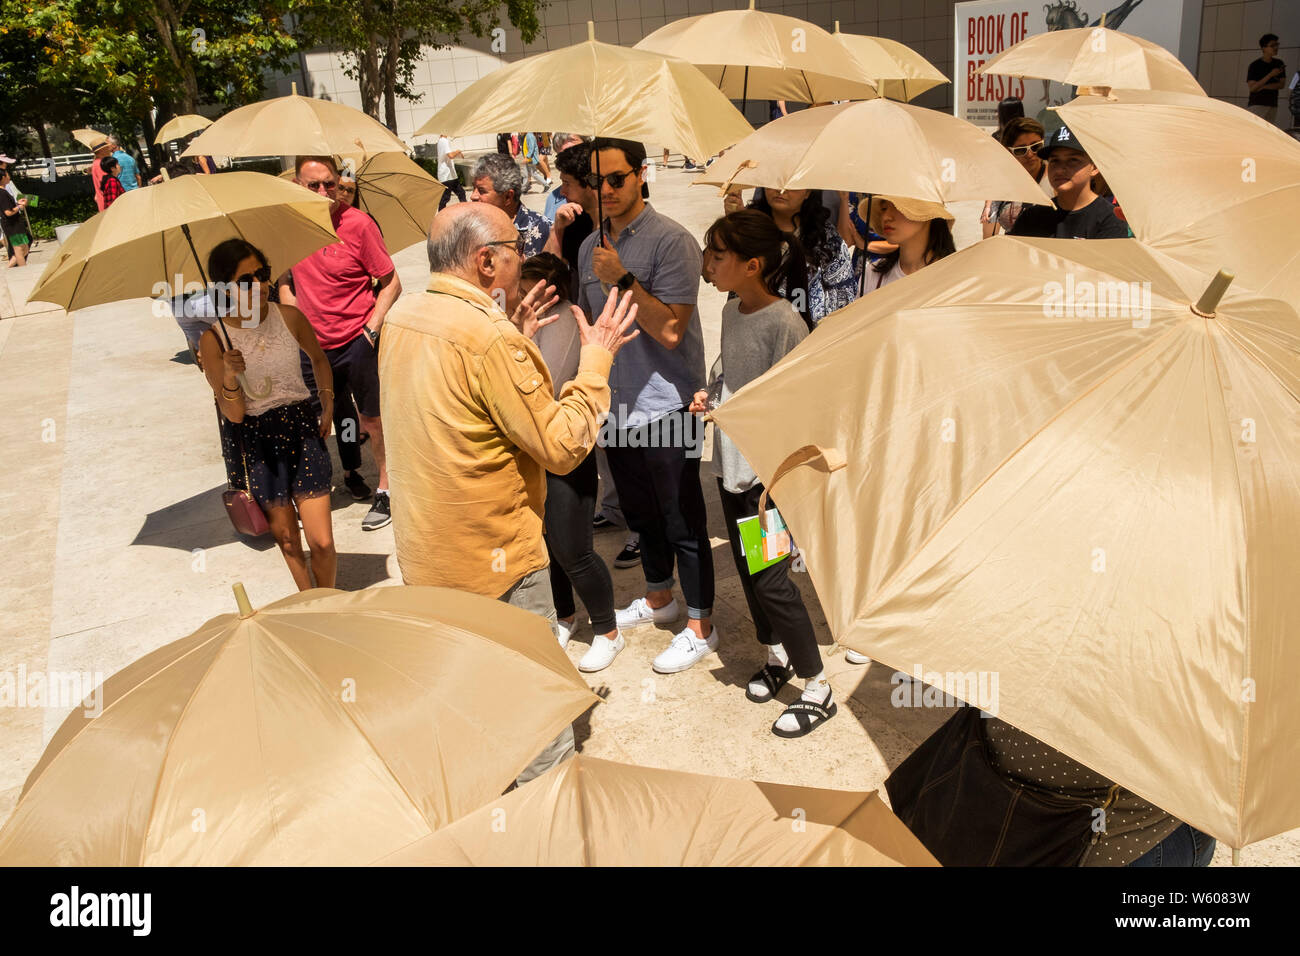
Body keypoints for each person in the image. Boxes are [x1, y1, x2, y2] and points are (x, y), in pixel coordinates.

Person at [379, 202, 639, 782]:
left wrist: (513, 340)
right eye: (515, 248)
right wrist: (596, 360)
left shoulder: (404, 315)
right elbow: (561, 444)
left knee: (476, 699)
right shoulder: (488, 338)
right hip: (496, 563)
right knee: (534, 717)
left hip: (430, 559)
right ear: (485, 261)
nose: (524, 256)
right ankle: (547, 828)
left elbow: (455, 411)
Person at [691, 210, 836, 737]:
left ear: (752, 265)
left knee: (774, 581)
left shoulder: (785, 324)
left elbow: (798, 403)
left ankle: (817, 687)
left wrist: (780, 480)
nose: (706, 263)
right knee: (752, 578)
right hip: (729, 467)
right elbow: (729, 369)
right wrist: (712, 390)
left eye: (717, 255)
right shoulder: (732, 311)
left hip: (765, 482)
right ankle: (776, 657)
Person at [578, 137, 718, 675]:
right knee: (640, 518)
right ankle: (661, 599)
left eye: (617, 178)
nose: (606, 190)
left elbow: (670, 328)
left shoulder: (671, 241)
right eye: (597, 182)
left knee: (682, 520)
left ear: (641, 175)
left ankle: (702, 624)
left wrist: (624, 278)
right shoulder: (593, 243)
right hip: (617, 407)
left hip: (667, 405)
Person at [198, 238, 337, 591]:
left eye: (262, 274)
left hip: (302, 429)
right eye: (245, 280)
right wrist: (229, 377)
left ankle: (330, 600)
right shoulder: (215, 342)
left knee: (321, 541)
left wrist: (328, 401)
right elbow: (233, 415)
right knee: (288, 540)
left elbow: (319, 359)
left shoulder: (289, 316)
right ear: (224, 288)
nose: (259, 285)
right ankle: (310, 602)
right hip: (258, 439)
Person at [278, 154, 402, 527]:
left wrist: (372, 328)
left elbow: (391, 282)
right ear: (298, 185)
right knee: (318, 419)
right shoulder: (288, 226)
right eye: (313, 184)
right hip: (311, 347)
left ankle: (386, 488)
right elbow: (284, 280)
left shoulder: (358, 224)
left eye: (329, 183)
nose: (323, 191)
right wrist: (293, 320)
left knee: (373, 419)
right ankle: (326, 484)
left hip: (357, 340)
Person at [519, 252, 626, 672]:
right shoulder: (523, 320)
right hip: (534, 448)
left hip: (566, 447)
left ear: (549, 290)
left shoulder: (564, 319)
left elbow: (542, 381)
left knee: (574, 550)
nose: (518, 293)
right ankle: (564, 617)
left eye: (527, 286)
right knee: (547, 546)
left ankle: (608, 631)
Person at [542, 141, 641, 569]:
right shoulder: (579, 230)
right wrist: (558, 230)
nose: (562, 192)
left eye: (567, 183)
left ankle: (640, 529)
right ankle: (618, 509)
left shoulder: (629, 232)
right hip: (597, 352)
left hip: (634, 354)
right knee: (608, 438)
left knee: (636, 444)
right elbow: (548, 273)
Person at [726, 186, 856, 324]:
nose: (781, 191)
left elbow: (843, 296)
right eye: (776, 183)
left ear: (808, 192)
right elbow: (722, 273)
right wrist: (733, 225)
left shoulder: (826, 238)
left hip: (806, 336)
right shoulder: (748, 229)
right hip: (750, 329)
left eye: (792, 186)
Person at [1008, 125, 1128, 240]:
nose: (1060, 170)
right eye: (1055, 161)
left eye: (1073, 160)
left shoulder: (1111, 219)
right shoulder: (1031, 217)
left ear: (1094, 167)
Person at [862, 196, 956, 292]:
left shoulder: (954, 278)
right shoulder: (873, 274)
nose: (886, 217)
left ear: (926, 213)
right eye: (884, 209)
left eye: (897, 207)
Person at [982, 117, 1053, 238]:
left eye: (1035, 147)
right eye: (1021, 150)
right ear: (1008, 151)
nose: (1030, 154)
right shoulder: (1005, 181)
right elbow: (989, 235)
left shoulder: (1054, 180)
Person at [470, 153, 550, 258]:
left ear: (508, 197)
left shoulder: (540, 228)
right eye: (473, 188)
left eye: (481, 191)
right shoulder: (472, 226)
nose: (473, 196)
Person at [1246, 34, 1286, 126]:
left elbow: (1281, 84)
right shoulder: (1255, 65)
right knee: (1254, 129)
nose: (1276, 47)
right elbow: (1252, 88)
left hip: (1272, 104)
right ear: (1264, 48)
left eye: (1277, 45)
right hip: (1257, 104)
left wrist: (1263, 86)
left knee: (1267, 134)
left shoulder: (1279, 63)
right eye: (1272, 45)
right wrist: (1271, 75)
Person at [543, 132, 584, 222]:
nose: (571, 162)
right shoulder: (553, 199)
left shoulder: (605, 199)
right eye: (563, 157)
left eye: (577, 153)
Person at [0, 170, 30, 267]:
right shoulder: (2, 193)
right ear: (3, 177)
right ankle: (23, 271)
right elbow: (8, 212)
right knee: (19, 249)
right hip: (11, 225)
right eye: (7, 174)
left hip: (16, 223)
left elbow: (9, 208)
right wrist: (19, 207)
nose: (9, 176)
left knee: (25, 248)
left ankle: (9, 267)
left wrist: (17, 204)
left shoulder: (4, 192)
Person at [435, 133, 466, 210]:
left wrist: (457, 154)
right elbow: (451, 155)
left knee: (461, 193)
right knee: (445, 198)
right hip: (446, 175)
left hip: (449, 175)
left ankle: (466, 210)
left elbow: (448, 156)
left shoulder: (440, 141)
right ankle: (440, 216)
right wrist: (458, 151)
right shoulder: (444, 141)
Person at [89, 138, 114, 211]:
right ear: (102, 150)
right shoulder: (100, 165)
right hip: (107, 202)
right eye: (106, 148)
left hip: (104, 201)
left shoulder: (97, 163)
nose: (109, 149)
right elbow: (106, 184)